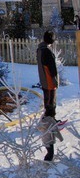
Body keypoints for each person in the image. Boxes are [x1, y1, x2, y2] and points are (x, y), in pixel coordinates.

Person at [39, 30, 60, 161]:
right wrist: (55, 78)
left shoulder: (40, 49)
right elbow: (52, 67)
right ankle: (50, 121)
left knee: (47, 100)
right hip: (49, 80)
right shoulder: (46, 51)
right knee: (51, 102)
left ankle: (49, 118)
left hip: (43, 80)